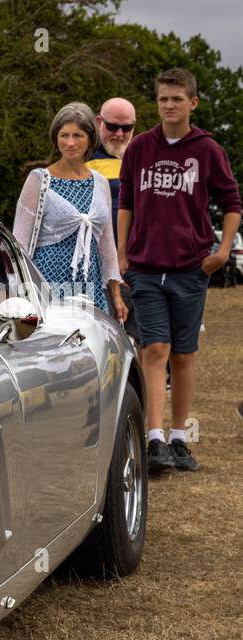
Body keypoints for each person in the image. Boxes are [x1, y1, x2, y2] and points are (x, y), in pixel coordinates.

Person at [118, 67, 241, 474]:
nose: (169, 106)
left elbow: (232, 203)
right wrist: (122, 255)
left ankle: (178, 439)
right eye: (162, 99)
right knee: (154, 349)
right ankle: (154, 440)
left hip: (191, 268)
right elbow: (127, 205)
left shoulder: (207, 150)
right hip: (147, 267)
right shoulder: (139, 149)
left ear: (193, 102)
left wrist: (222, 251)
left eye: (176, 99)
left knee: (184, 355)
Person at [13, 103, 125, 326]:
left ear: (90, 139)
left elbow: (106, 245)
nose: (70, 143)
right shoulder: (39, 179)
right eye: (64, 135)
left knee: (92, 350)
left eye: (78, 135)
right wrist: (19, 293)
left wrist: (116, 296)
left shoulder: (100, 182)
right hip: (48, 282)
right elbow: (20, 242)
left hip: (90, 285)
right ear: (55, 138)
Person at [88, 97, 139, 342]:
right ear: (99, 122)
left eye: (126, 128)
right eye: (112, 127)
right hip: (96, 271)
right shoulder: (82, 162)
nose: (119, 134)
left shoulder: (144, 161)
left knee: (144, 344)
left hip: (137, 270)